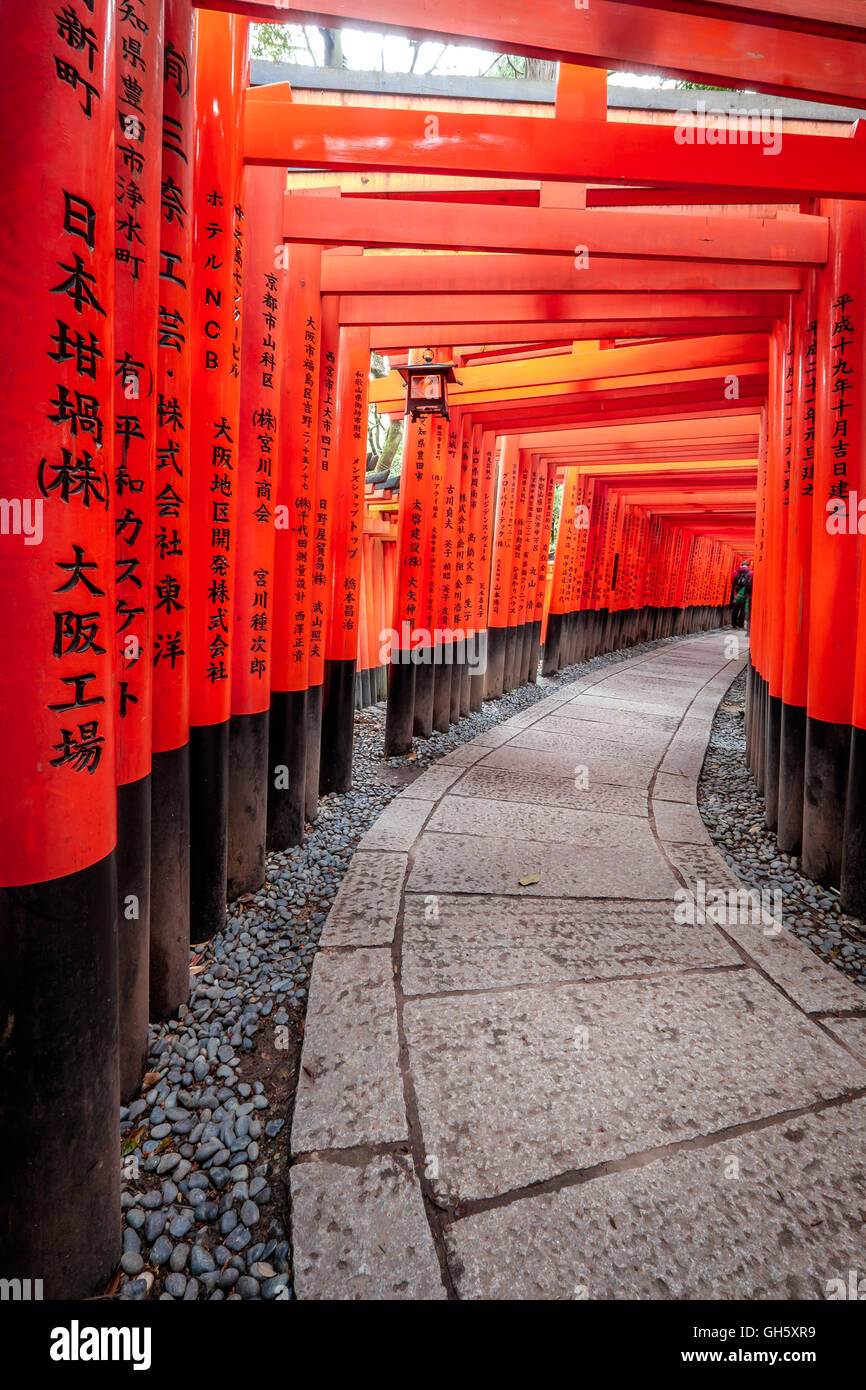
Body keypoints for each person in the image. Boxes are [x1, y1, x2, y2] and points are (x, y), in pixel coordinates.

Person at [730, 563, 751, 629]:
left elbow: (732, 581)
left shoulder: (736, 572)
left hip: (737, 593)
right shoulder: (750, 573)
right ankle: (740, 624)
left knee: (735, 609)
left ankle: (734, 624)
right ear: (748, 565)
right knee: (743, 609)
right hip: (745, 593)